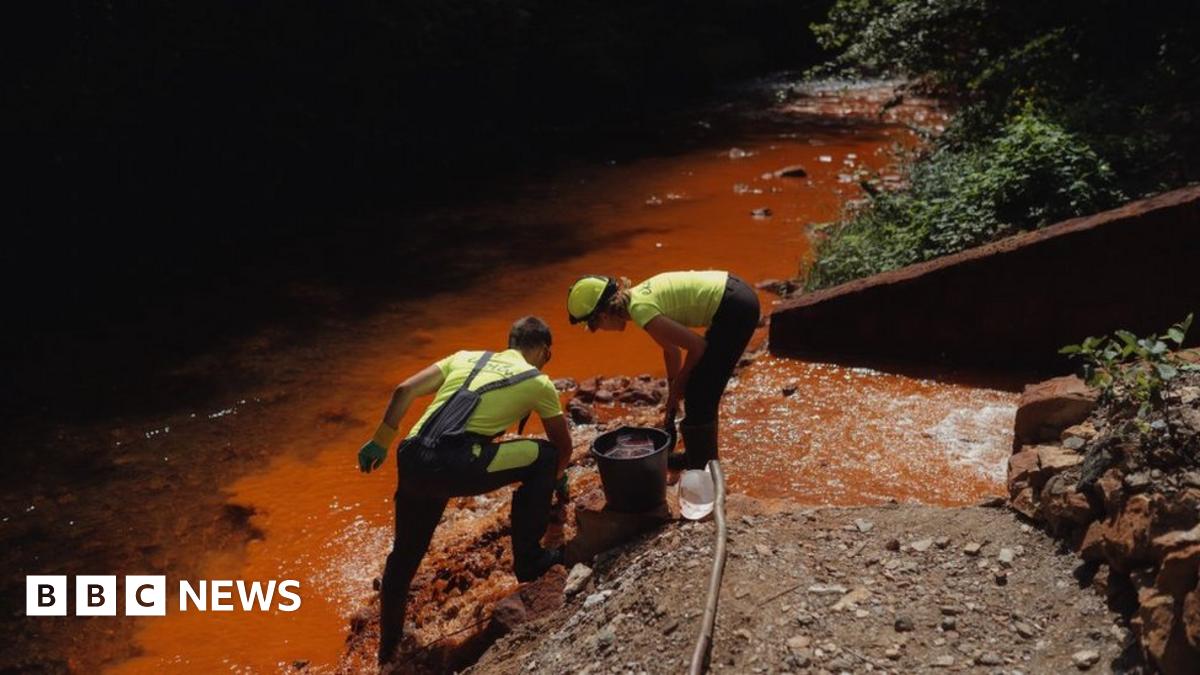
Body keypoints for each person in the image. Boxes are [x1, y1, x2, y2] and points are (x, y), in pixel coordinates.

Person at [358, 316, 572, 665]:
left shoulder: (465, 357)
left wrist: (380, 441)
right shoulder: (538, 382)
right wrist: (556, 480)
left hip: (412, 457)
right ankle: (530, 560)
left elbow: (403, 390)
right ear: (545, 352)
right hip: (456, 463)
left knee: (405, 555)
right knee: (545, 456)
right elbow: (562, 448)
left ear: (510, 342)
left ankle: (388, 653)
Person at [566, 270, 759, 470]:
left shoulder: (641, 310)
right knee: (700, 388)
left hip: (735, 307)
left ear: (603, 316)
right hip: (734, 295)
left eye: (596, 326)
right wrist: (672, 390)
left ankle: (702, 467)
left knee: (699, 393)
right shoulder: (637, 301)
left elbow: (697, 346)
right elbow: (671, 350)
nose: (601, 330)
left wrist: (680, 383)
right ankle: (699, 458)